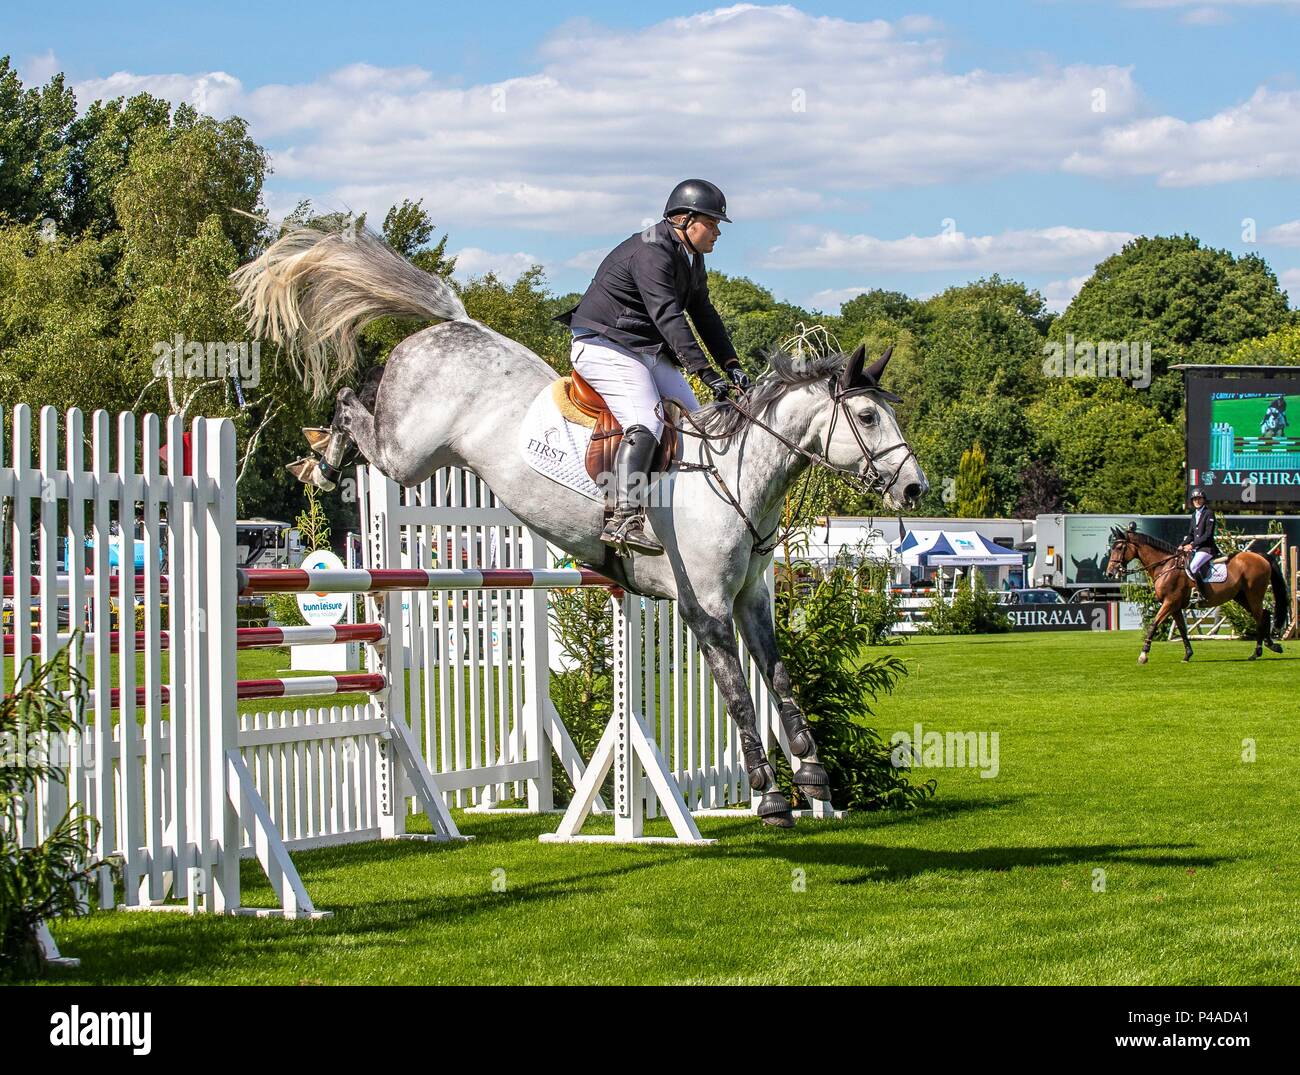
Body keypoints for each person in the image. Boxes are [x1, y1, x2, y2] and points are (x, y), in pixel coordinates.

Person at [554, 179, 751, 556]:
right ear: (684, 219)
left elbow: (704, 313)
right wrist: (703, 372)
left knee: (698, 423)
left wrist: (731, 365)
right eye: (712, 223)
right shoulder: (653, 252)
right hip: (602, 344)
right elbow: (668, 316)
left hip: (642, 348)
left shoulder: (691, 256)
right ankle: (623, 518)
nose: (717, 231)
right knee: (647, 420)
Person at [1179, 487, 1220, 586]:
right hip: (1197, 550)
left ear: (1203, 499)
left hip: (1207, 549)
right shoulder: (1194, 515)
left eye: (1199, 498)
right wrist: (1182, 545)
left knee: (1193, 567)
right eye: (1194, 499)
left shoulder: (1209, 513)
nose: (1197, 501)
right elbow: (1191, 535)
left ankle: (1200, 592)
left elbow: (1208, 535)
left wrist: (1192, 545)